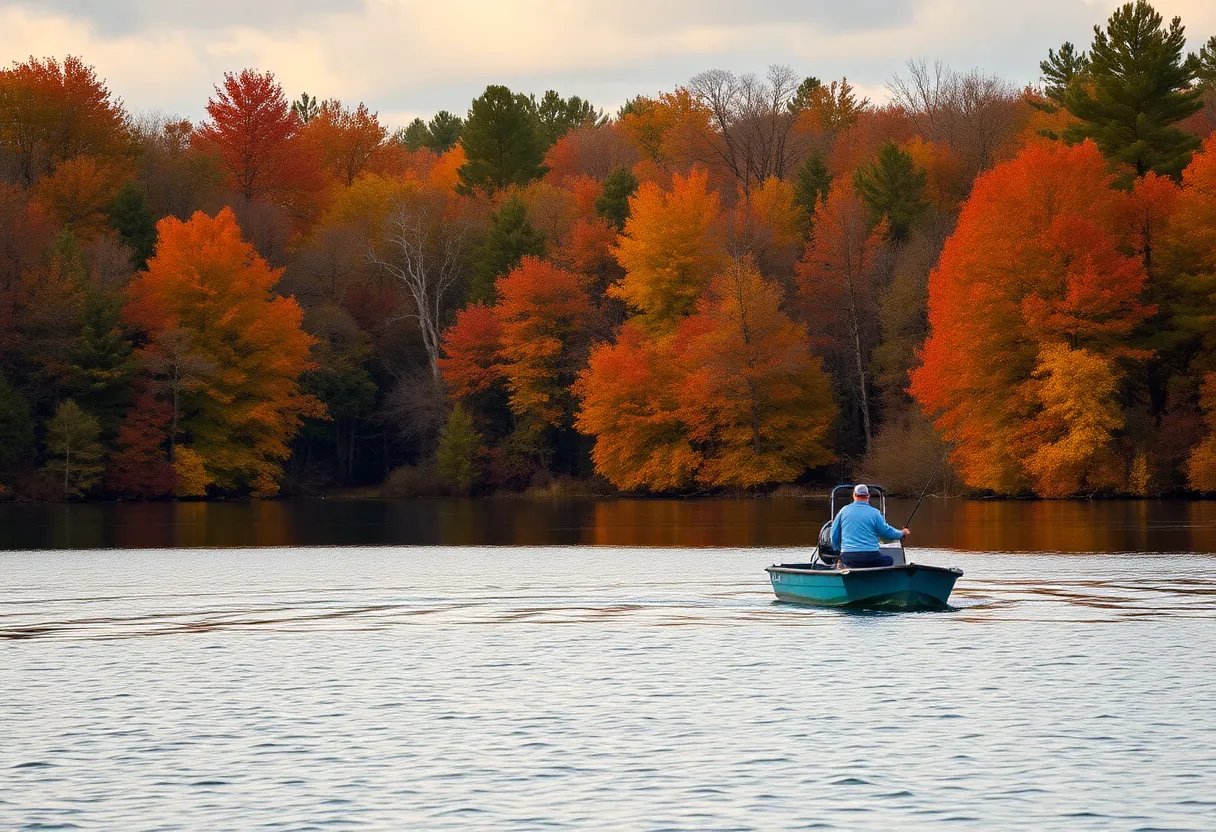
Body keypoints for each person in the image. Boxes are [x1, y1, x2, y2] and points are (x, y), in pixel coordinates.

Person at [829, 484, 909, 568]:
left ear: (854, 495)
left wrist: (837, 549)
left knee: (843, 563)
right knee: (889, 560)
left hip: (848, 556)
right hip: (871, 556)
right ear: (868, 496)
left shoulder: (843, 511)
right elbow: (886, 532)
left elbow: (834, 533)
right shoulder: (875, 513)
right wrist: (900, 533)